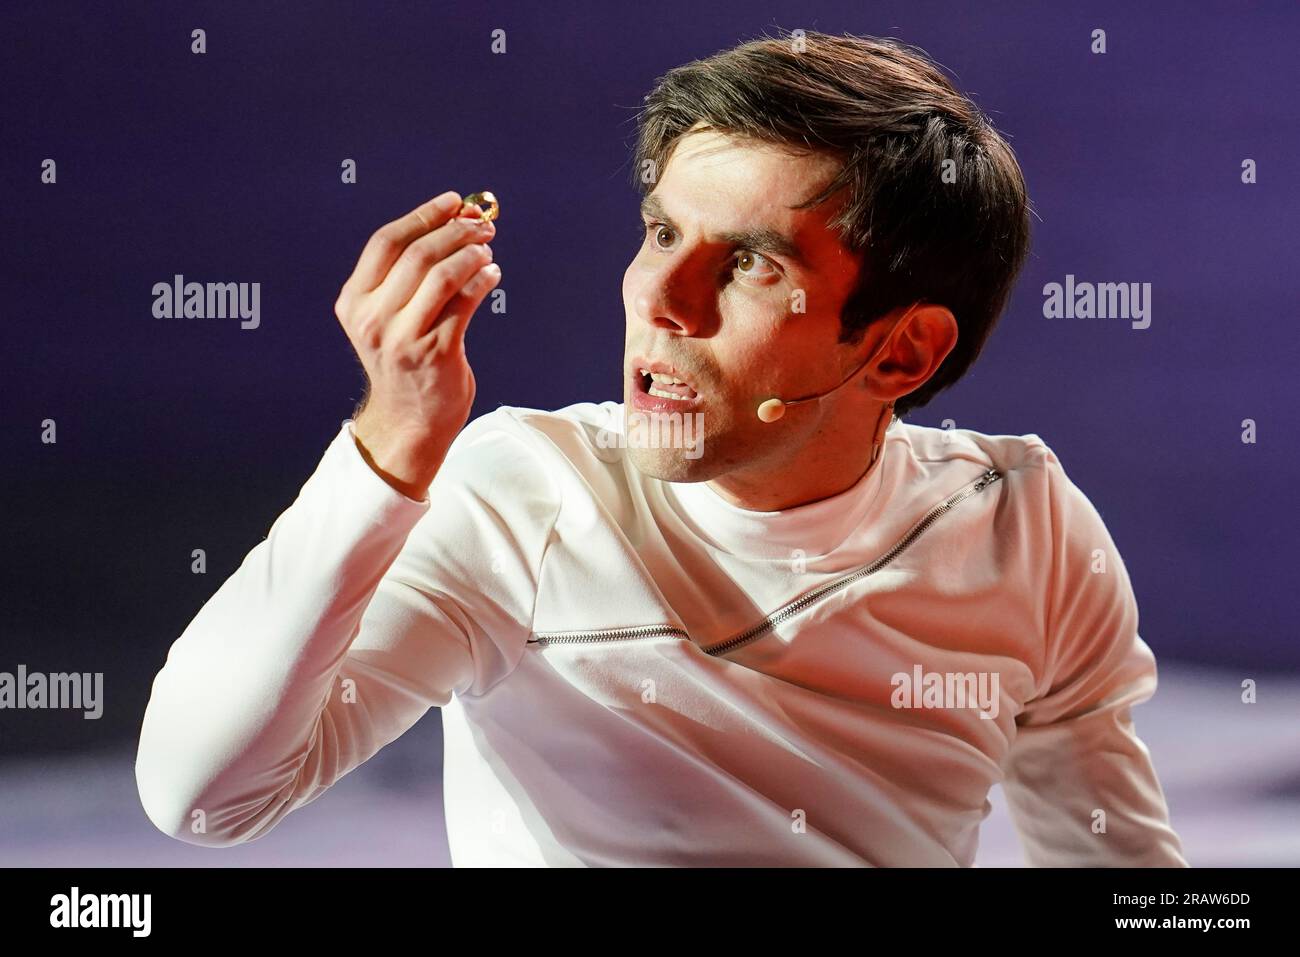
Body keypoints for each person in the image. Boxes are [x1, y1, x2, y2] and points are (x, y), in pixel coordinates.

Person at [135, 31, 1187, 866]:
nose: (660, 299)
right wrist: (390, 450)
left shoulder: (1023, 525)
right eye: (662, 232)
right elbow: (205, 799)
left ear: (902, 351)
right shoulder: (523, 492)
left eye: (751, 266)